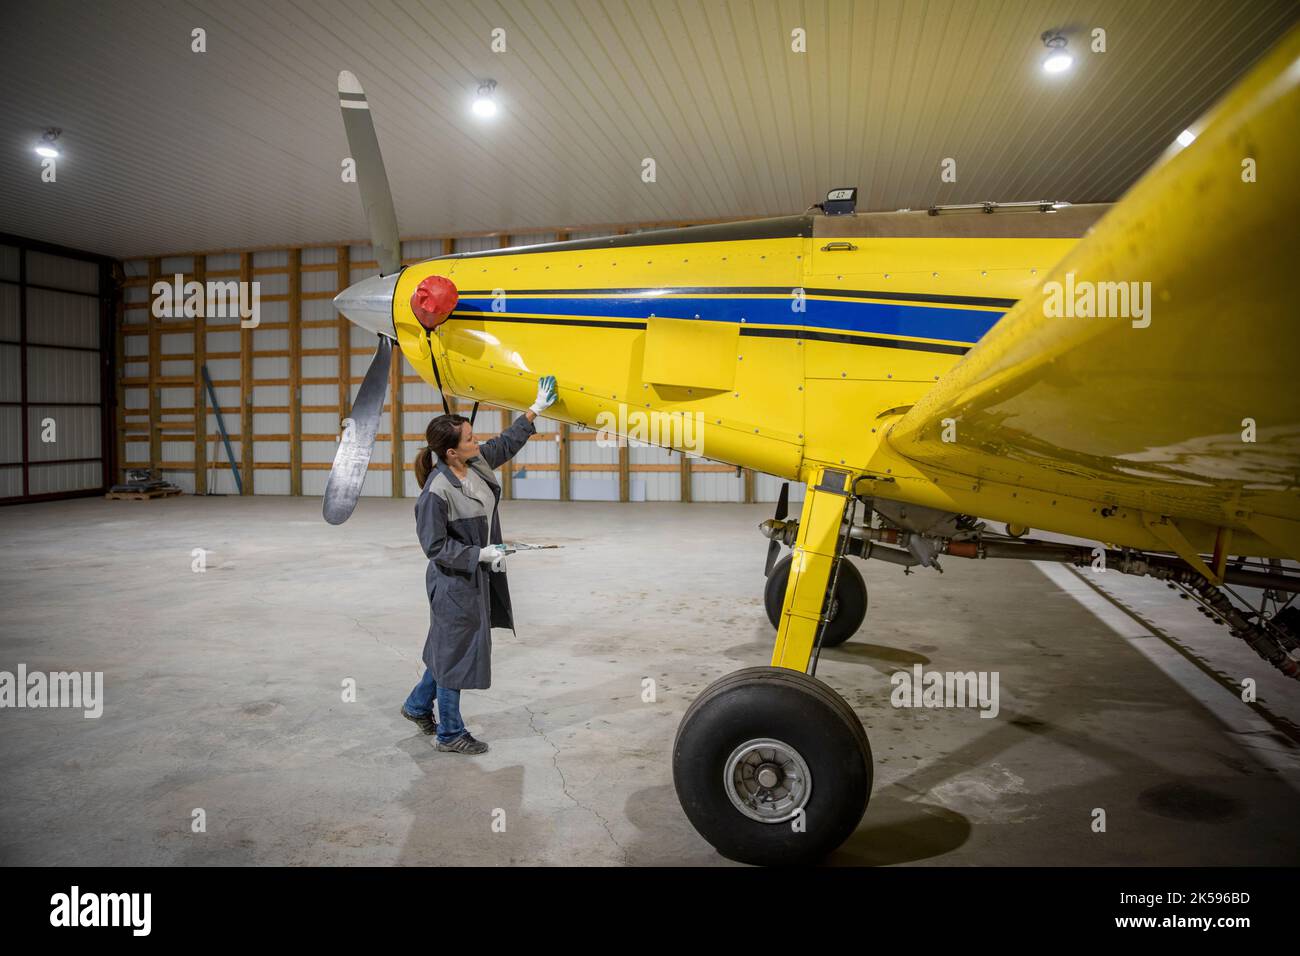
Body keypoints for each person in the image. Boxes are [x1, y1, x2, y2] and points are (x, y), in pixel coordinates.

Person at [400, 375, 558, 754]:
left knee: (447, 648)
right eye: (469, 438)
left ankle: (417, 705)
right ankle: (450, 734)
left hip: (476, 578)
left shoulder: (475, 465)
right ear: (451, 452)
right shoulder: (435, 493)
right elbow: (435, 546)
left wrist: (534, 410)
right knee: (455, 654)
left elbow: (505, 443)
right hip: (454, 583)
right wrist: (478, 555)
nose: (477, 441)